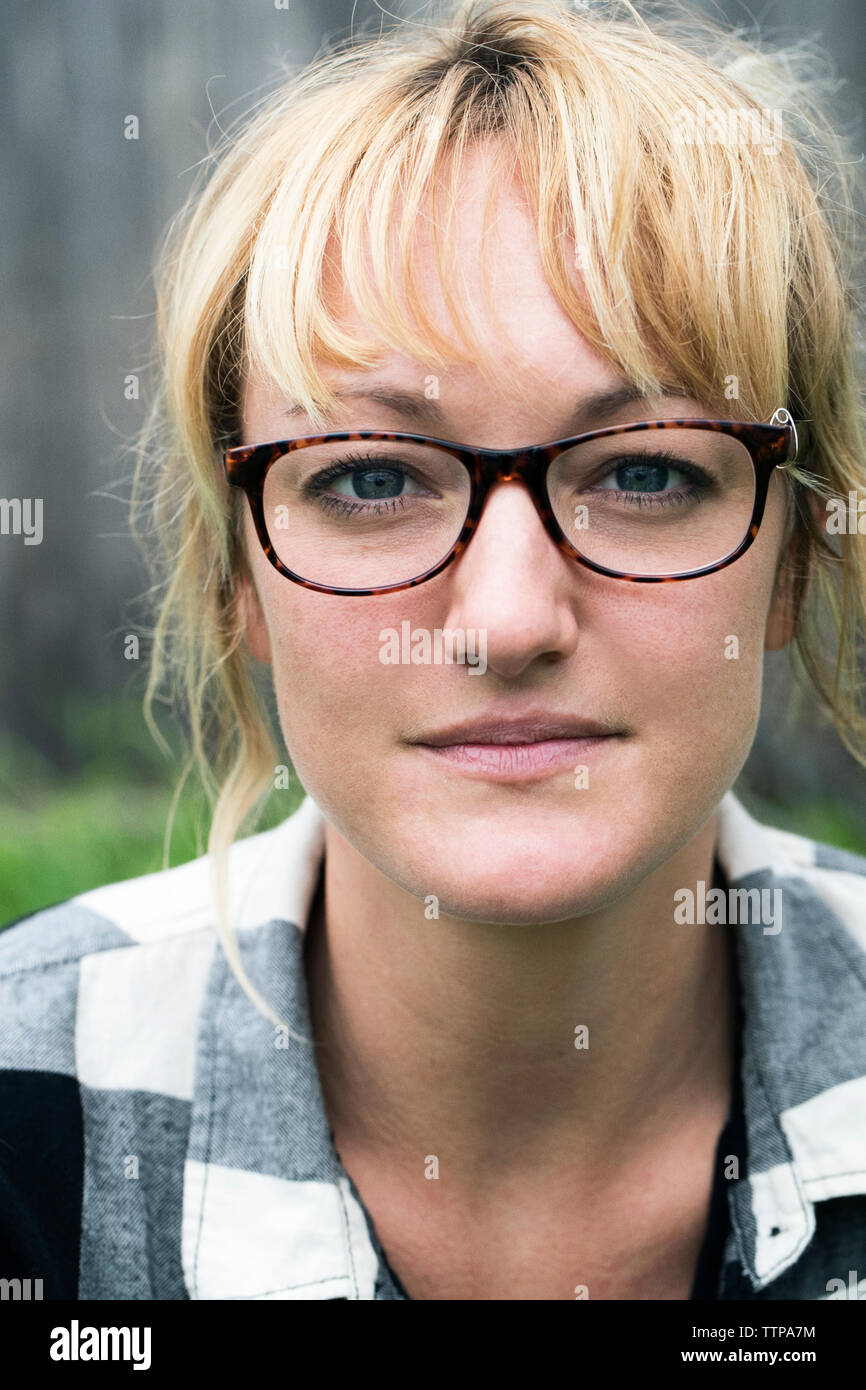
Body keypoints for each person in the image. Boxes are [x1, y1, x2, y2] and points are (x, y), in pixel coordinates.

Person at [2, 0, 865, 1301]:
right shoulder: (27, 1103)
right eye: (366, 481)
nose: (508, 620)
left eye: (640, 469)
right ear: (238, 572)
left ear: (792, 556)